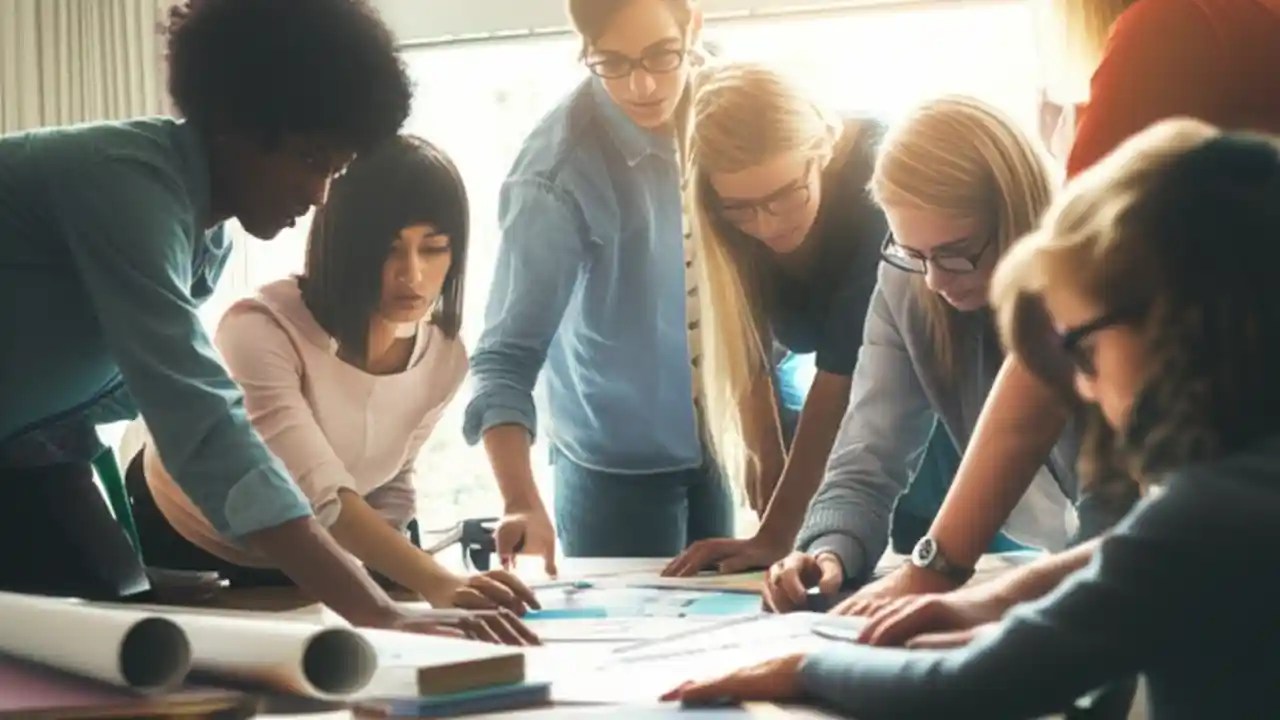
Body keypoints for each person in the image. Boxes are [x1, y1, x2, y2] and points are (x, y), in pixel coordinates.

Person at [667, 118, 1280, 719]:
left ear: (1175, 327)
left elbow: (975, 684)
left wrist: (805, 668)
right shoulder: (1238, 491)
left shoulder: (1208, 511)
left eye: (1084, 345)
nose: (1082, 382)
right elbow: (1133, 555)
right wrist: (994, 601)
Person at [0, 0, 499, 639]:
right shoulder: (126, 188)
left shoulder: (207, 242)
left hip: (27, 456)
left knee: (111, 637)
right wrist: (374, 608)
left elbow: (69, 396)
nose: (321, 194)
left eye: (336, 169)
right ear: (235, 126)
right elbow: (199, 417)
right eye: (310, 160)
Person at [846, 0, 1280, 637]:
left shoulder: (1182, 25)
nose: (1084, 379)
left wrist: (940, 570)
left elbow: (1063, 302)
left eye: (1088, 353)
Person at [126, 137, 537, 645]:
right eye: (389, 249)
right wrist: (436, 580)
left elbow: (389, 479)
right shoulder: (258, 329)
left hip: (323, 540)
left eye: (433, 248)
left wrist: (410, 580)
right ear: (343, 245)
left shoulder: (445, 356)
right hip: (191, 537)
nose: (413, 274)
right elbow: (317, 493)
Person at [756, 95, 1084, 613]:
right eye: (913, 252)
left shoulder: (1088, 283)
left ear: (1017, 216)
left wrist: (962, 593)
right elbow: (868, 455)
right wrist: (827, 552)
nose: (933, 280)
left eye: (954, 254)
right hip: (1063, 566)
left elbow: (1129, 519)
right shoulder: (905, 281)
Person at [464, 0, 726, 567]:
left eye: (661, 55)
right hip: (616, 470)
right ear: (585, 53)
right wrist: (520, 500)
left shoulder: (732, 106)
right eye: (611, 62)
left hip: (732, 446)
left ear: (694, 27)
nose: (642, 84)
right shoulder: (553, 174)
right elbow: (505, 358)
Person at [660, 62, 890, 576]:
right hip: (820, 392)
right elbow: (745, 340)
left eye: (786, 195)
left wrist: (777, 534)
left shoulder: (877, 189)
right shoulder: (721, 210)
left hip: (924, 401)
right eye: (742, 208)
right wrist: (766, 460)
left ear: (822, 153)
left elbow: (840, 381)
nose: (766, 225)